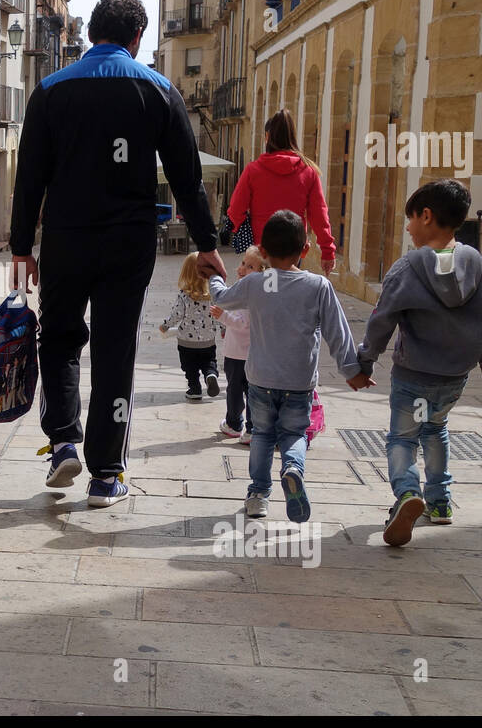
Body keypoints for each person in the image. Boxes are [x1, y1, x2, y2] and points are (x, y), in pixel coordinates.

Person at [9, 0, 225, 508]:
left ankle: (63, 438)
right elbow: (187, 178)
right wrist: (207, 244)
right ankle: (106, 474)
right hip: (128, 243)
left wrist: (20, 248)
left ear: (90, 35)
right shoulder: (160, 91)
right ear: (137, 38)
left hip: (65, 239)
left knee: (58, 339)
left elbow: (28, 178)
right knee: (115, 350)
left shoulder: (49, 91)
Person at [355, 179, 482, 547]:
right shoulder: (480, 266)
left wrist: (364, 363)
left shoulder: (407, 267)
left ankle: (408, 494)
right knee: (436, 430)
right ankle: (441, 503)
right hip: (454, 377)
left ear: (426, 216)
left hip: (414, 375)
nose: (408, 228)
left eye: (410, 219)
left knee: (403, 437)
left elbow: (382, 319)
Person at [209, 210, 369, 522]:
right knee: (294, 433)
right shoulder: (318, 286)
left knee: (263, 435)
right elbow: (338, 333)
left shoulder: (256, 282)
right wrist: (352, 371)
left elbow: (223, 298)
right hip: (300, 383)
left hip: (260, 380)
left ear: (263, 252)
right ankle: (293, 467)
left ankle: (258, 494)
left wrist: (214, 277)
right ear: (305, 249)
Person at [227, 109, 337, 275]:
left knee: (262, 295)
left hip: (262, 247)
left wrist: (246, 230)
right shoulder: (308, 172)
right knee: (288, 293)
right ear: (293, 136)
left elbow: (235, 210)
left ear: (267, 137)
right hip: (293, 249)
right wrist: (328, 250)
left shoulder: (253, 170)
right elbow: (319, 216)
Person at [211, 244, 266, 443]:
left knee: (235, 390)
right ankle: (251, 428)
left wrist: (223, 316)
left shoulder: (249, 294)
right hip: (249, 353)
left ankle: (235, 424)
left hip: (237, 355)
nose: (242, 268)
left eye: (250, 267)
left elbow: (243, 323)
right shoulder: (254, 292)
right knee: (251, 392)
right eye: (243, 263)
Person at [158, 252, 221, 401]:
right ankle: (210, 374)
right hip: (208, 341)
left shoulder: (184, 295)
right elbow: (219, 313)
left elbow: (177, 314)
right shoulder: (212, 295)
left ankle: (195, 389)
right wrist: (224, 328)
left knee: (190, 367)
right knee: (209, 361)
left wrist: (165, 325)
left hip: (187, 343)